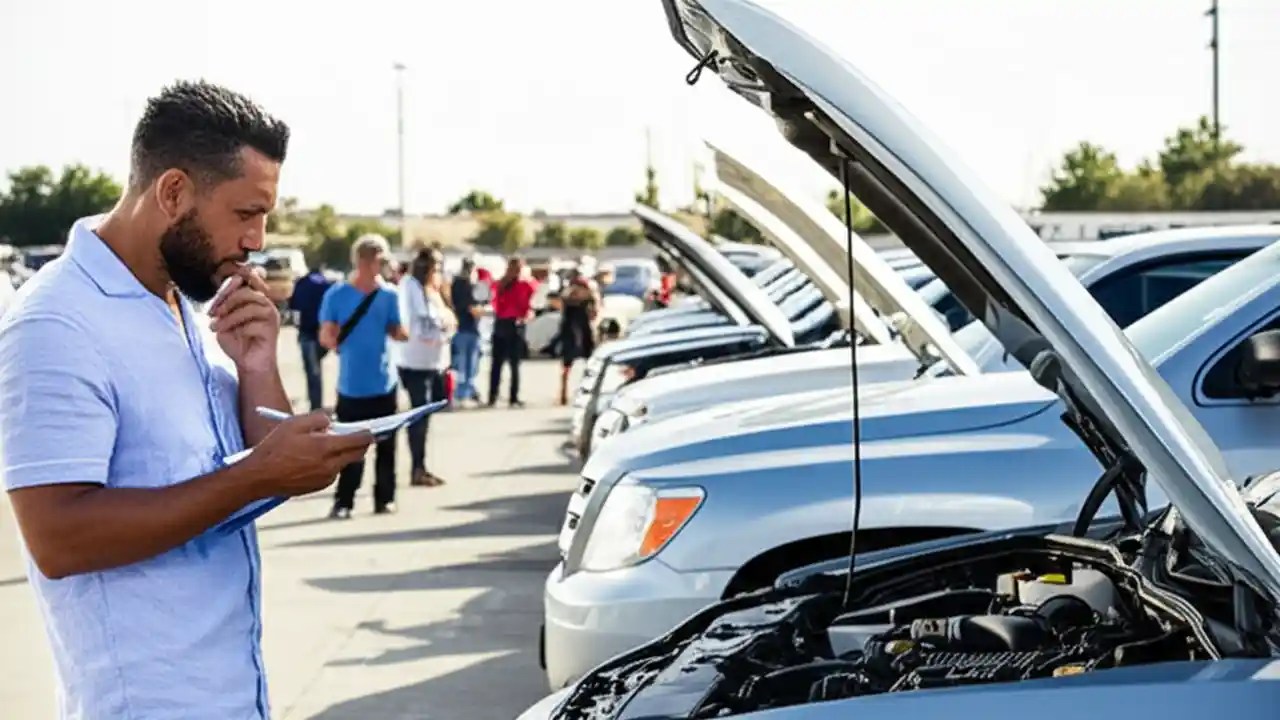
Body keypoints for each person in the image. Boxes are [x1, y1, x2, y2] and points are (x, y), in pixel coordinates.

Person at [0, 80, 375, 719]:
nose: (257, 240)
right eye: (245, 213)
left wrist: (257, 366)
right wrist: (253, 476)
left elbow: (262, 467)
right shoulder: (56, 324)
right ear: (173, 191)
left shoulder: (182, 305)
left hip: (232, 695)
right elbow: (58, 537)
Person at [318, 234, 408, 518]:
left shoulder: (389, 295)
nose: (382, 265)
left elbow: (398, 330)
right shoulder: (338, 294)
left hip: (384, 382)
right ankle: (344, 501)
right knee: (350, 447)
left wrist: (404, 331)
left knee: (386, 446)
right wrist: (333, 337)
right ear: (365, 261)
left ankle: (385, 499)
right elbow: (326, 335)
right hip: (351, 385)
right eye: (380, 260)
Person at [396, 248, 455, 486]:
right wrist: (444, 324)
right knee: (419, 416)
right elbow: (423, 324)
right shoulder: (411, 286)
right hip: (415, 362)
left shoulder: (434, 290)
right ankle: (417, 468)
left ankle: (421, 466)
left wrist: (445, 323)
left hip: (434, 362)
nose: (438, 272)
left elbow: (450, 320)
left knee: (427, 415)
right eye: (436, 267)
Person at [488, 256, 537, 408]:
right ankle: (513, 397)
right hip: (516, 324)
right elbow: (531, 304)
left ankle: (493, 395)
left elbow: (494, 303)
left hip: (500, 323)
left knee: (497, 363)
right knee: (514, 364)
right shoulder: (525, 285)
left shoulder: (499, 284)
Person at [289, 263, 336, 410]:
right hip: (321, 333)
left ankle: (316, 406)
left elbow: (294, 306)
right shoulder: (327, 284)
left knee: (312, 373)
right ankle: (317, 404)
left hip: (306, 334)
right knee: (317, 370)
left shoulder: (301, 283)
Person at [558, 268, 600, 405]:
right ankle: (565, 392)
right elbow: (594, 312)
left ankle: (568, 392)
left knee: (575, 362)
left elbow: (594, 311)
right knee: (576, 362)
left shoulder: (573, 292)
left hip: (576, 328)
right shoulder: (577, 292)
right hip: (576, 328)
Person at [450, 256, 486, 407]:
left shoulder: (458, 283)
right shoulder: (465, 285)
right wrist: (481, 311)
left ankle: (466, 391)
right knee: (467, 364)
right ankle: (462, 393)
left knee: (465, 363)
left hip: (464, 327)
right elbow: (471, 307)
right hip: (467, 327)